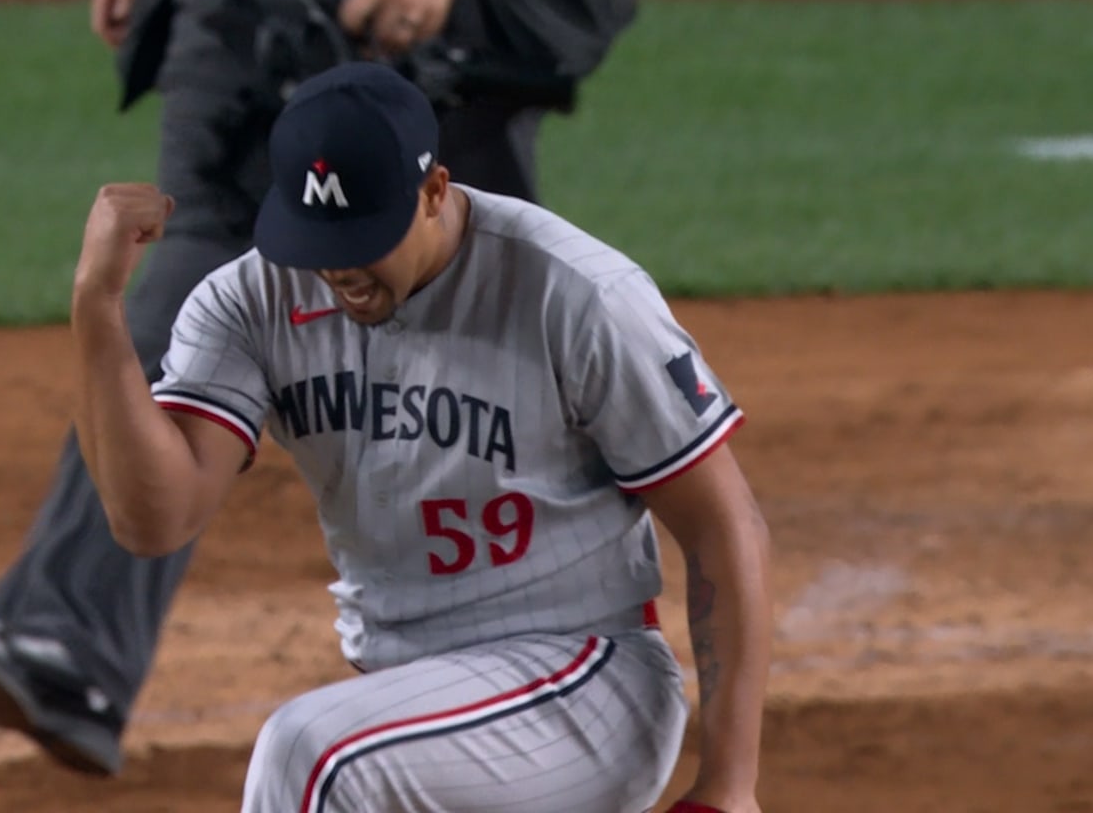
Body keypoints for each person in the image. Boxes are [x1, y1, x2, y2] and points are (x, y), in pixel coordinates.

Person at [0, 0, 639, 778]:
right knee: (183, 292)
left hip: (422, 20)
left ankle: (546, 653)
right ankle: (68, 638)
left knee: (477, 308)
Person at [72, 62, 772, 812]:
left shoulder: (575, 292)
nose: (339, 267)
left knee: (315, 757)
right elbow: (154, 520)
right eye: (316, 236)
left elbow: (723, 524)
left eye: (364, 235)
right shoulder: (252, 300)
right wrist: (97, 305)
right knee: (336, 759)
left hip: (588, 679)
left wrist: (728, 788)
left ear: (434, 190)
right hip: (419, 696)